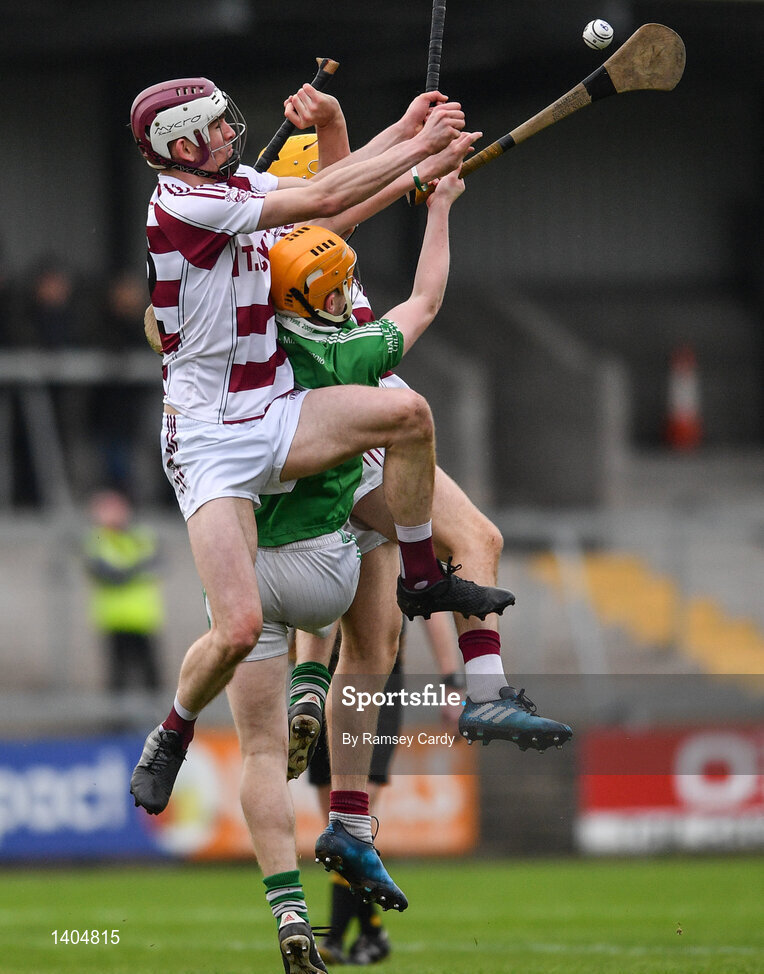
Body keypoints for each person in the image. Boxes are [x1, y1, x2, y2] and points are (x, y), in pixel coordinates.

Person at [128, 76, 503, 973]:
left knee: (407, 417)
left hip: (276, 416)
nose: (229, 130)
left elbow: (343, 199)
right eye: (213, 125)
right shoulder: (188, 201)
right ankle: (176, 727)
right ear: (182, 147)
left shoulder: (234, 191)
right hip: (212, 441)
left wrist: (410, 132)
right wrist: (418, 151)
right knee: (241, 624)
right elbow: (332, 195)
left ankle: (421, 573)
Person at [83, 489, 163, 693]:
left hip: (143, 619)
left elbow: (158, 564)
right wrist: (136, 568)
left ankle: (159, 722)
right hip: (114, 620)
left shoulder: (141, 536)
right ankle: (117, 724)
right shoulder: (97, 540)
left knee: (151, 676)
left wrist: (127, 571)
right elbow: (109, 574)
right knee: (117, 678)